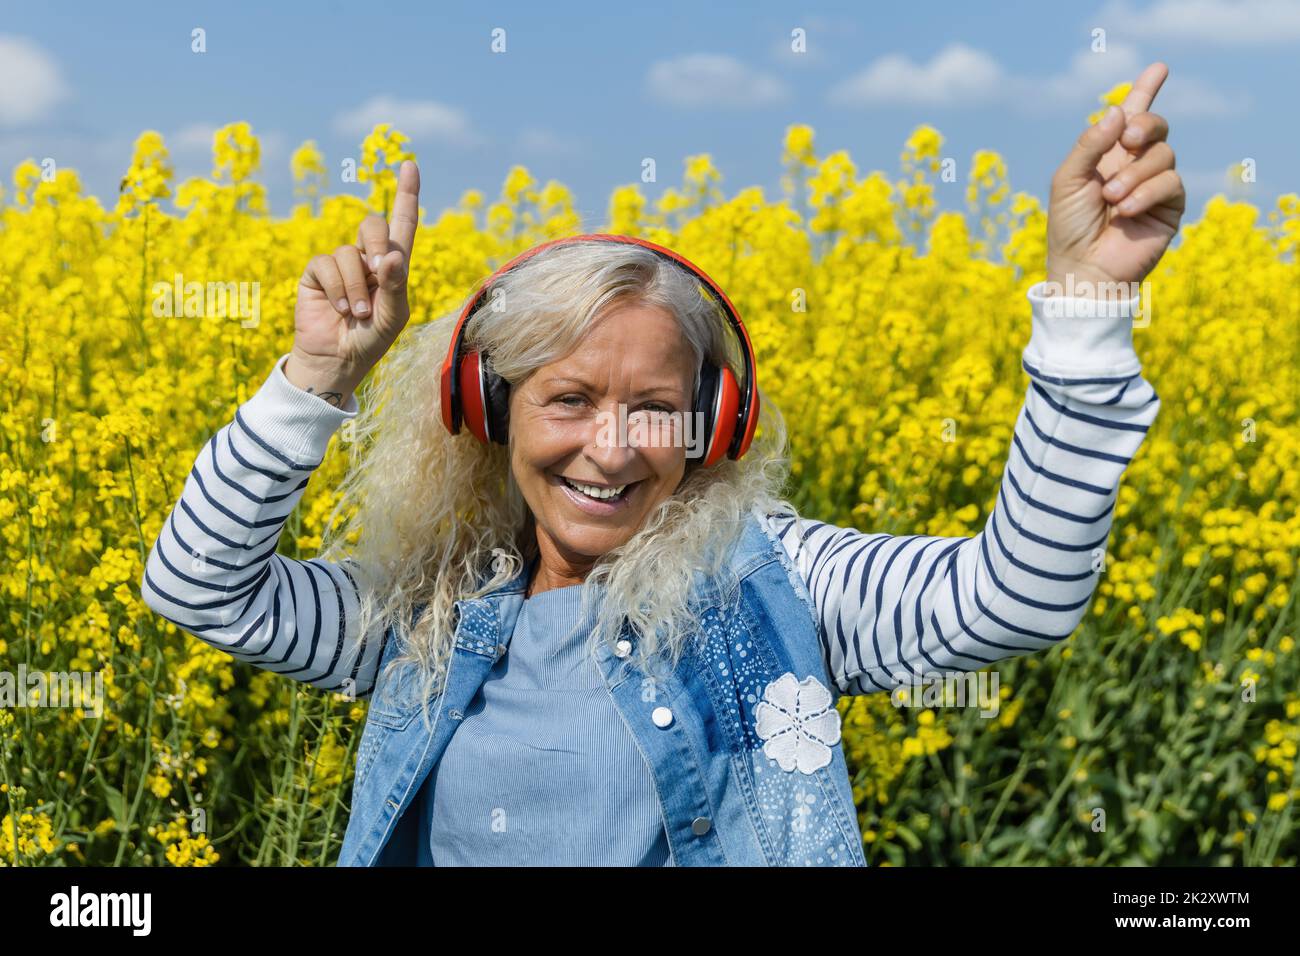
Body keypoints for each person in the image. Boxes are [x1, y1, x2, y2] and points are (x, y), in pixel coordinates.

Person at [141, 63, 1184, 866]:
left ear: (714, 423)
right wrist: (315, 377)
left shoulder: (777, 587)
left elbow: (1018, 598)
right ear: (488, 408)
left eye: (654, 408)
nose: (611, 446)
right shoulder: (426, 612)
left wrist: (1086, 309)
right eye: (569, 399)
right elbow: (199, 587)